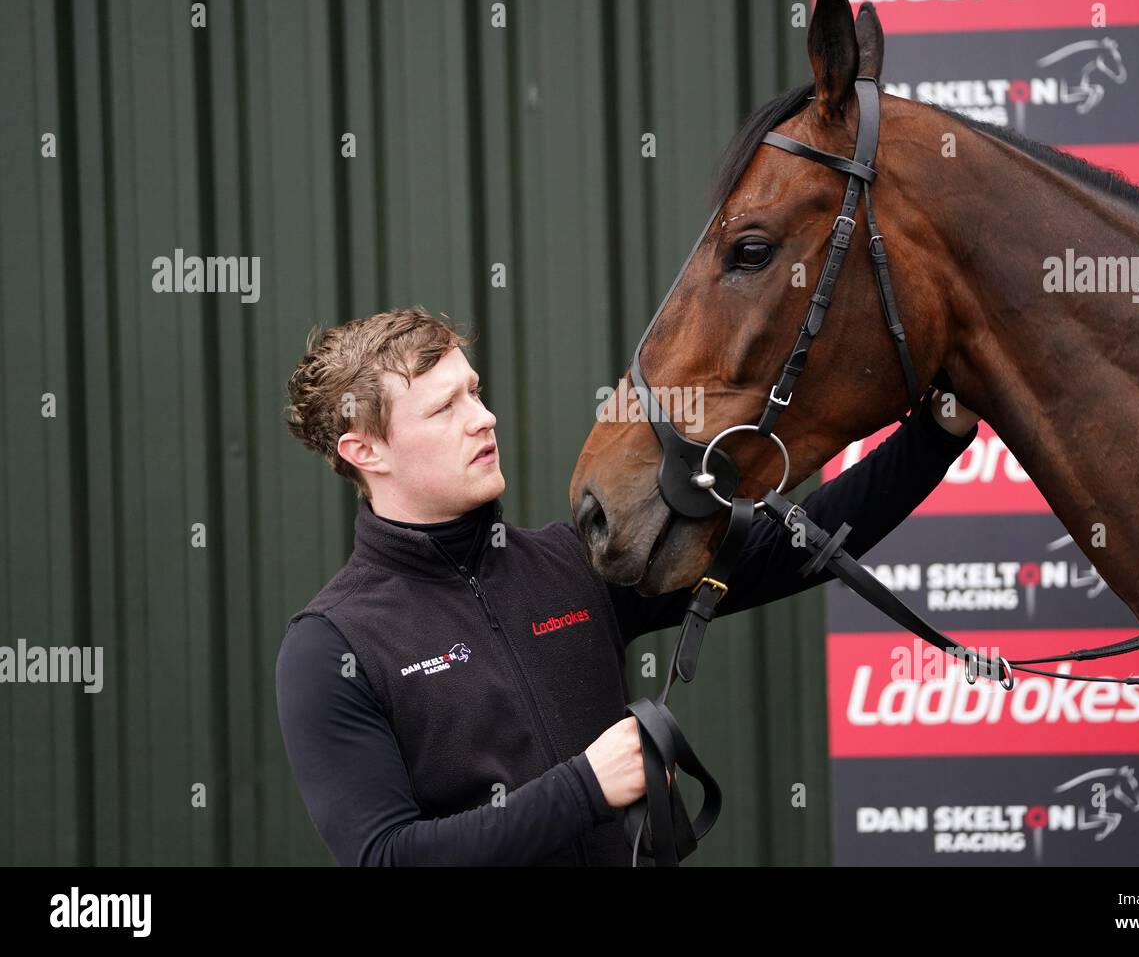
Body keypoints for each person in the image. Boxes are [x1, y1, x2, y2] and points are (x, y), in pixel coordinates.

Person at [275, 305, 978, 866]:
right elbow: (386, 855)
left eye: (475, 391)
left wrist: (940, 431)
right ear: (363, 450)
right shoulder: (331, 646)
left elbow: (788, 552)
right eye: (444, 408)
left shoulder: (568, 564)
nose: (483, 418)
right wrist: (586, 785)